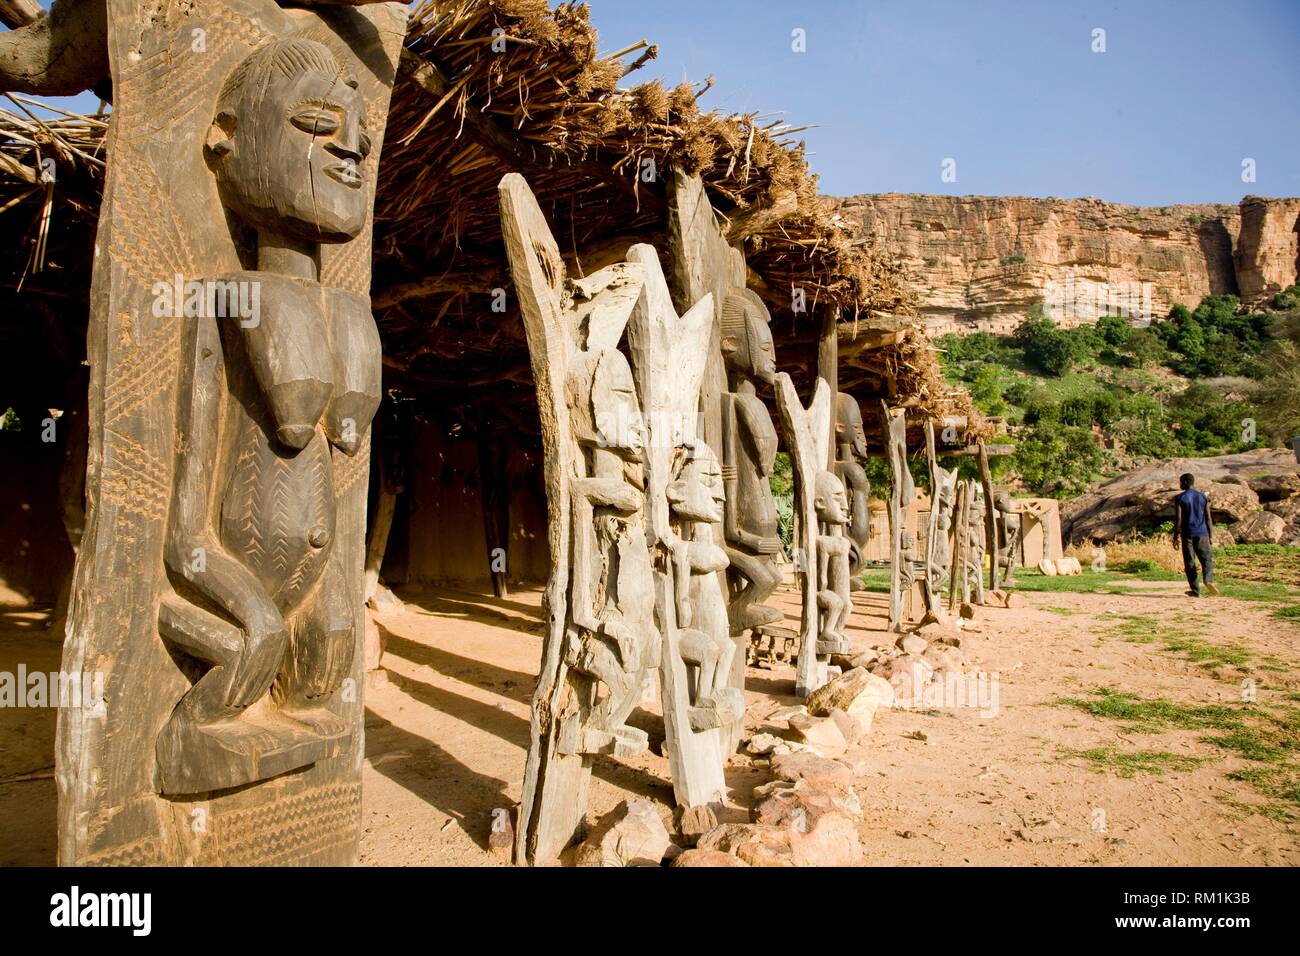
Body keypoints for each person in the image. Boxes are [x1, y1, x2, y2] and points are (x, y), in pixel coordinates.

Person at [1172, 473, 1219, 597]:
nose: (1180, 484)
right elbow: (1208, 518)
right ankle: (1208, 580)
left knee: (1190, 562)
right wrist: (1210, 535)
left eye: (1181, 482)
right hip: (1202, 533)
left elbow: (1178, 518)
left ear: (1186, 482)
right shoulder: (1202, 497)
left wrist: (1175, 537)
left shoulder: (1179, 498)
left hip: (1187, 534)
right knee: (1207, 559)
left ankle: (1195, 590)